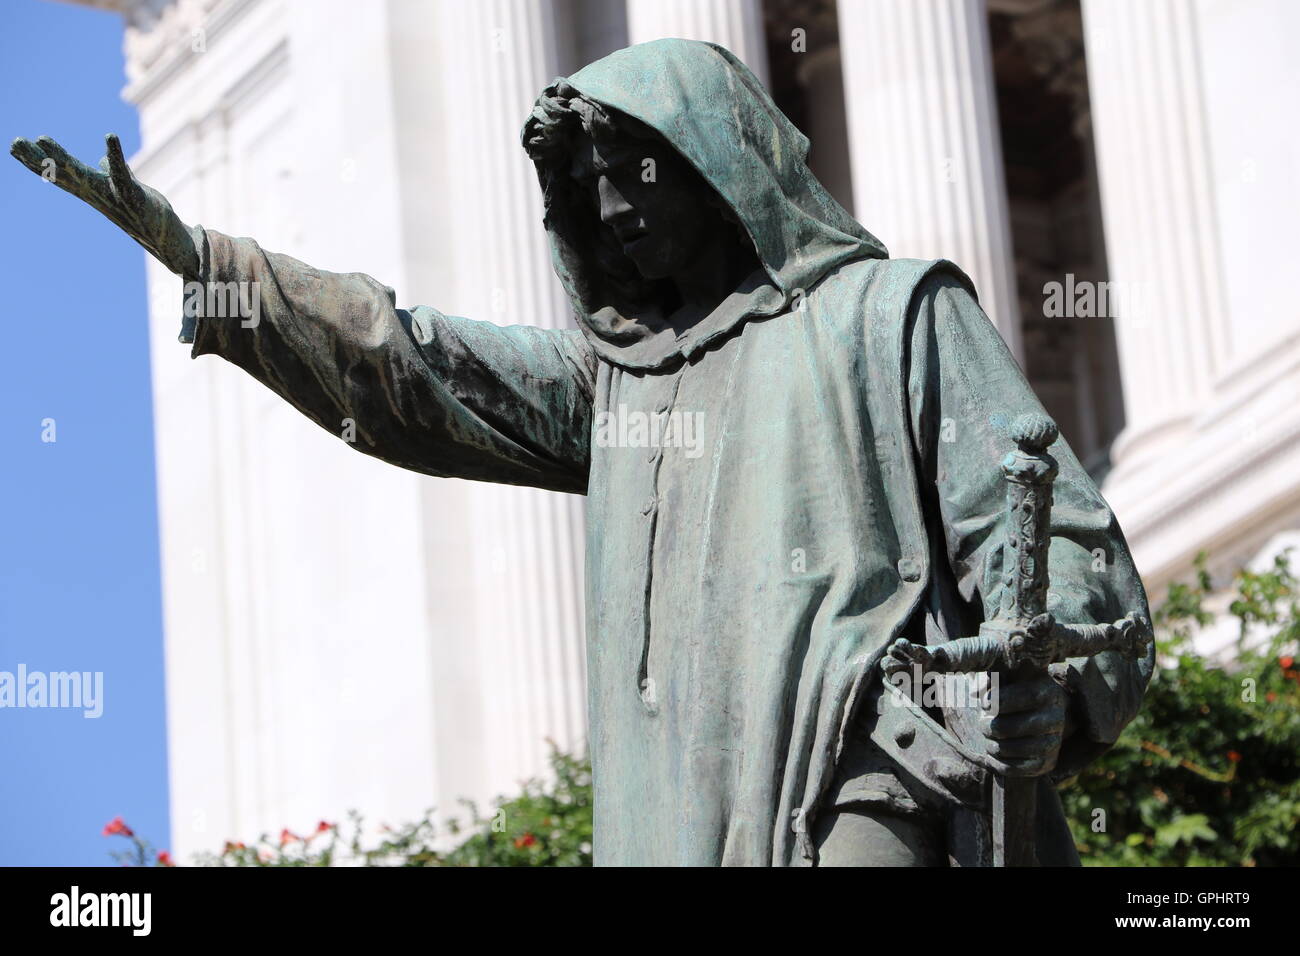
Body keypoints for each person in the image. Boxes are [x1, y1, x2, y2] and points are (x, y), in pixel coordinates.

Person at [12, 38, 1152, 866]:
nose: (611, 207)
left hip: (876, 772)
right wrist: (212, 263)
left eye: (635, 171)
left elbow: (1046, 537)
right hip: (687, 815)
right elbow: (413, 364)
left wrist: (1041, 685)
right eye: (588, 185)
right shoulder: (625, 383)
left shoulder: (888, 314)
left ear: (721, 163)